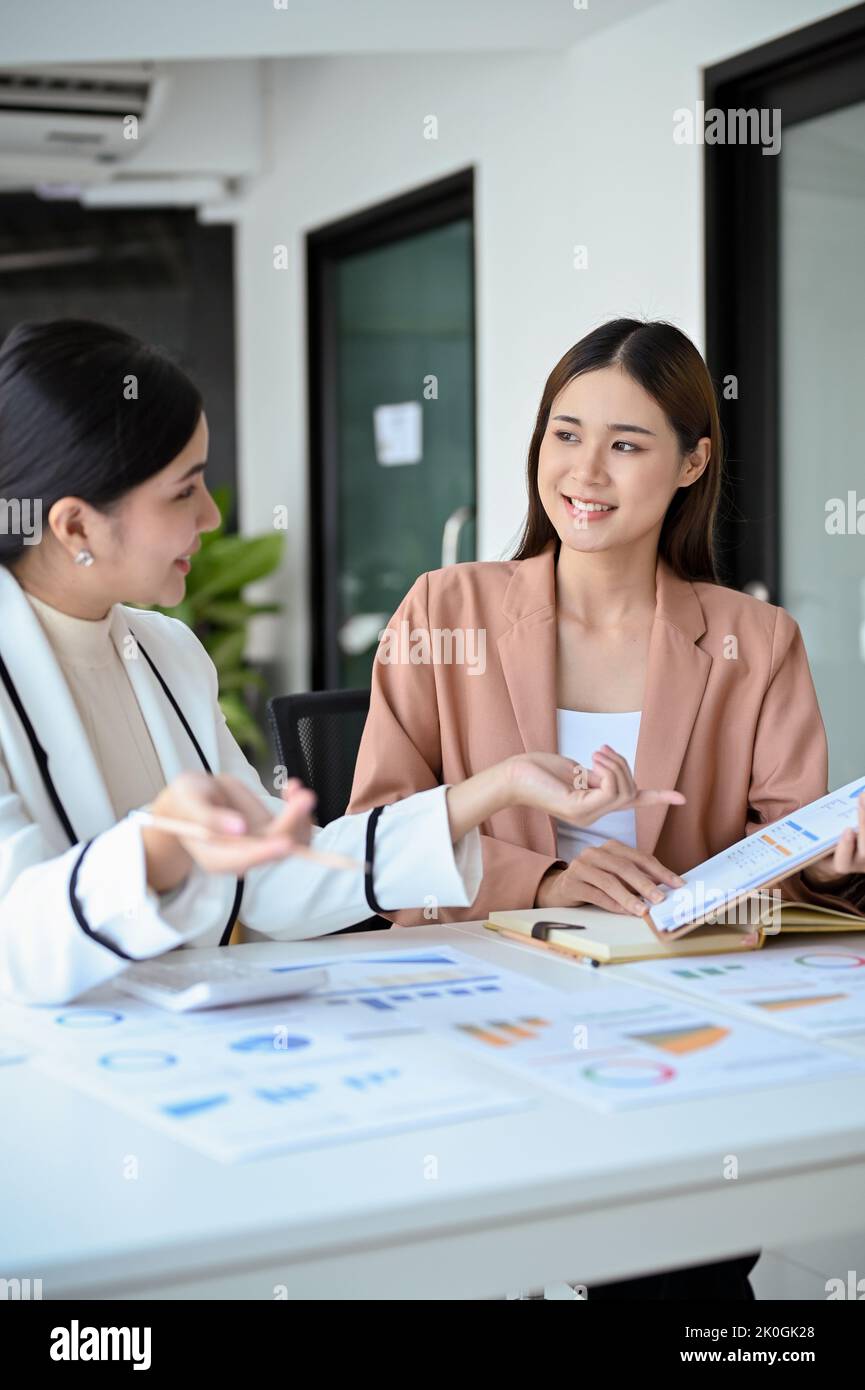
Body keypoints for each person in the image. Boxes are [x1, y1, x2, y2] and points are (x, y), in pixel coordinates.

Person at [347, 316, 865, 1300]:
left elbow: (790, 844)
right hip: (487, 1011)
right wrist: (542, 879)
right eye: (564, 433)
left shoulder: (754, 640)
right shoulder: (443, 608)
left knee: (685, 1276)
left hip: (685, 1025)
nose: (585, 471)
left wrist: (837, 858)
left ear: (690, 462)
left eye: (625, 444)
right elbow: (382, 829)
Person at [0, 318, 684, 1008]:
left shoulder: (165, 651)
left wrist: (497, 787)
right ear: (76, 526)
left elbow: (271, 887)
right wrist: (156, 846)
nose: (211, 517)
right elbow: (17, 943)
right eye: (184, 492)